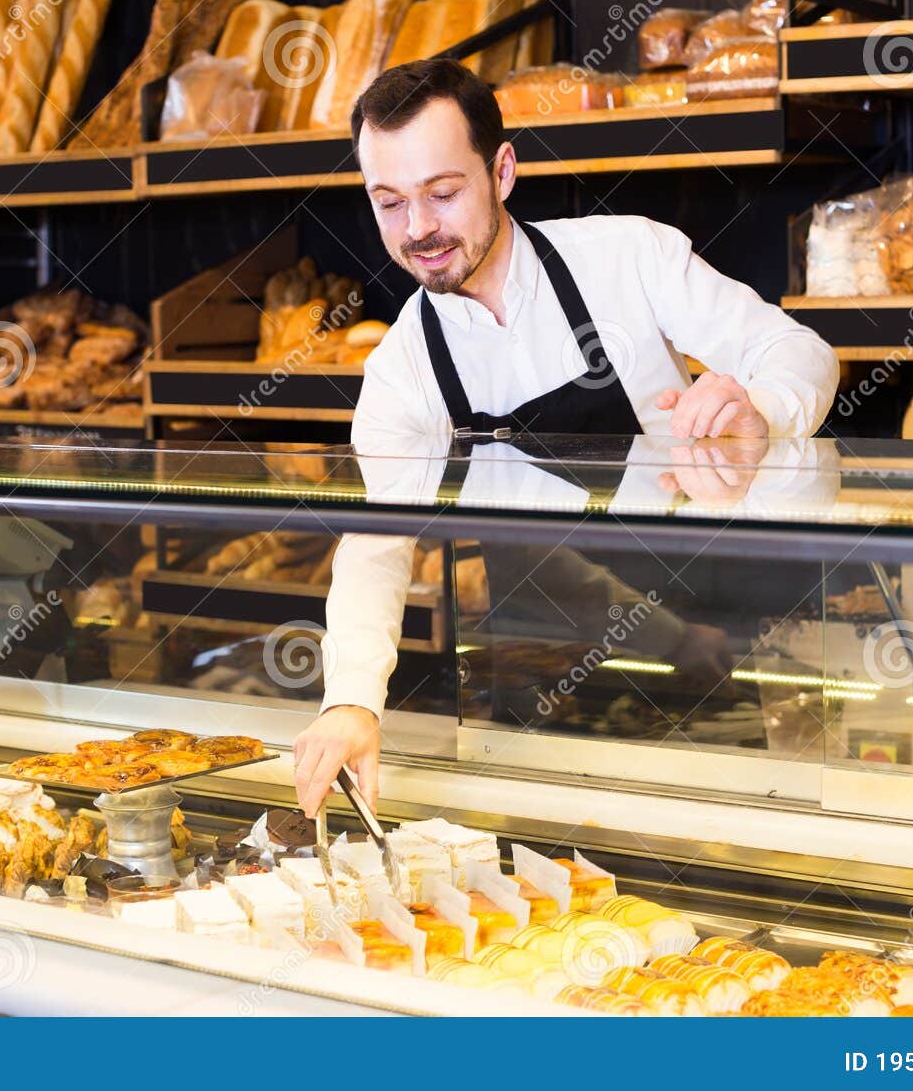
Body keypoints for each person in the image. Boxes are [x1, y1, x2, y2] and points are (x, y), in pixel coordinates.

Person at [291, 58, 837, 818]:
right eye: (389, 202)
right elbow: (378, 545)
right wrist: (351, 699)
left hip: (721, 652)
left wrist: (759, 409)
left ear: (503, 171)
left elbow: (803, 353)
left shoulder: (628, 259)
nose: (418, 230)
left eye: (443, 194)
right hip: (540, 689)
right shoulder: (399, 374)